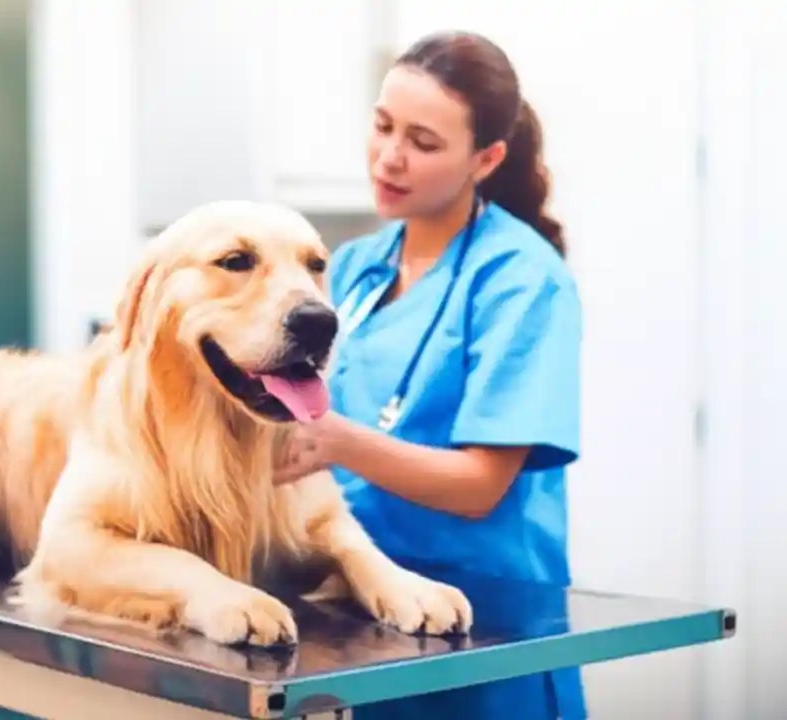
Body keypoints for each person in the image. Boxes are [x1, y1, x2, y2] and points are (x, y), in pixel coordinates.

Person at [272, 30, 586, 719]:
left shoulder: (522, 281)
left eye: (424, 141)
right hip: (364, 617)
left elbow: (481, 488)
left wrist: (338, 441)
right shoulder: (351, 268)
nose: (390, 157)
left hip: (487, 630)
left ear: (488, 158)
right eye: (382, 126)